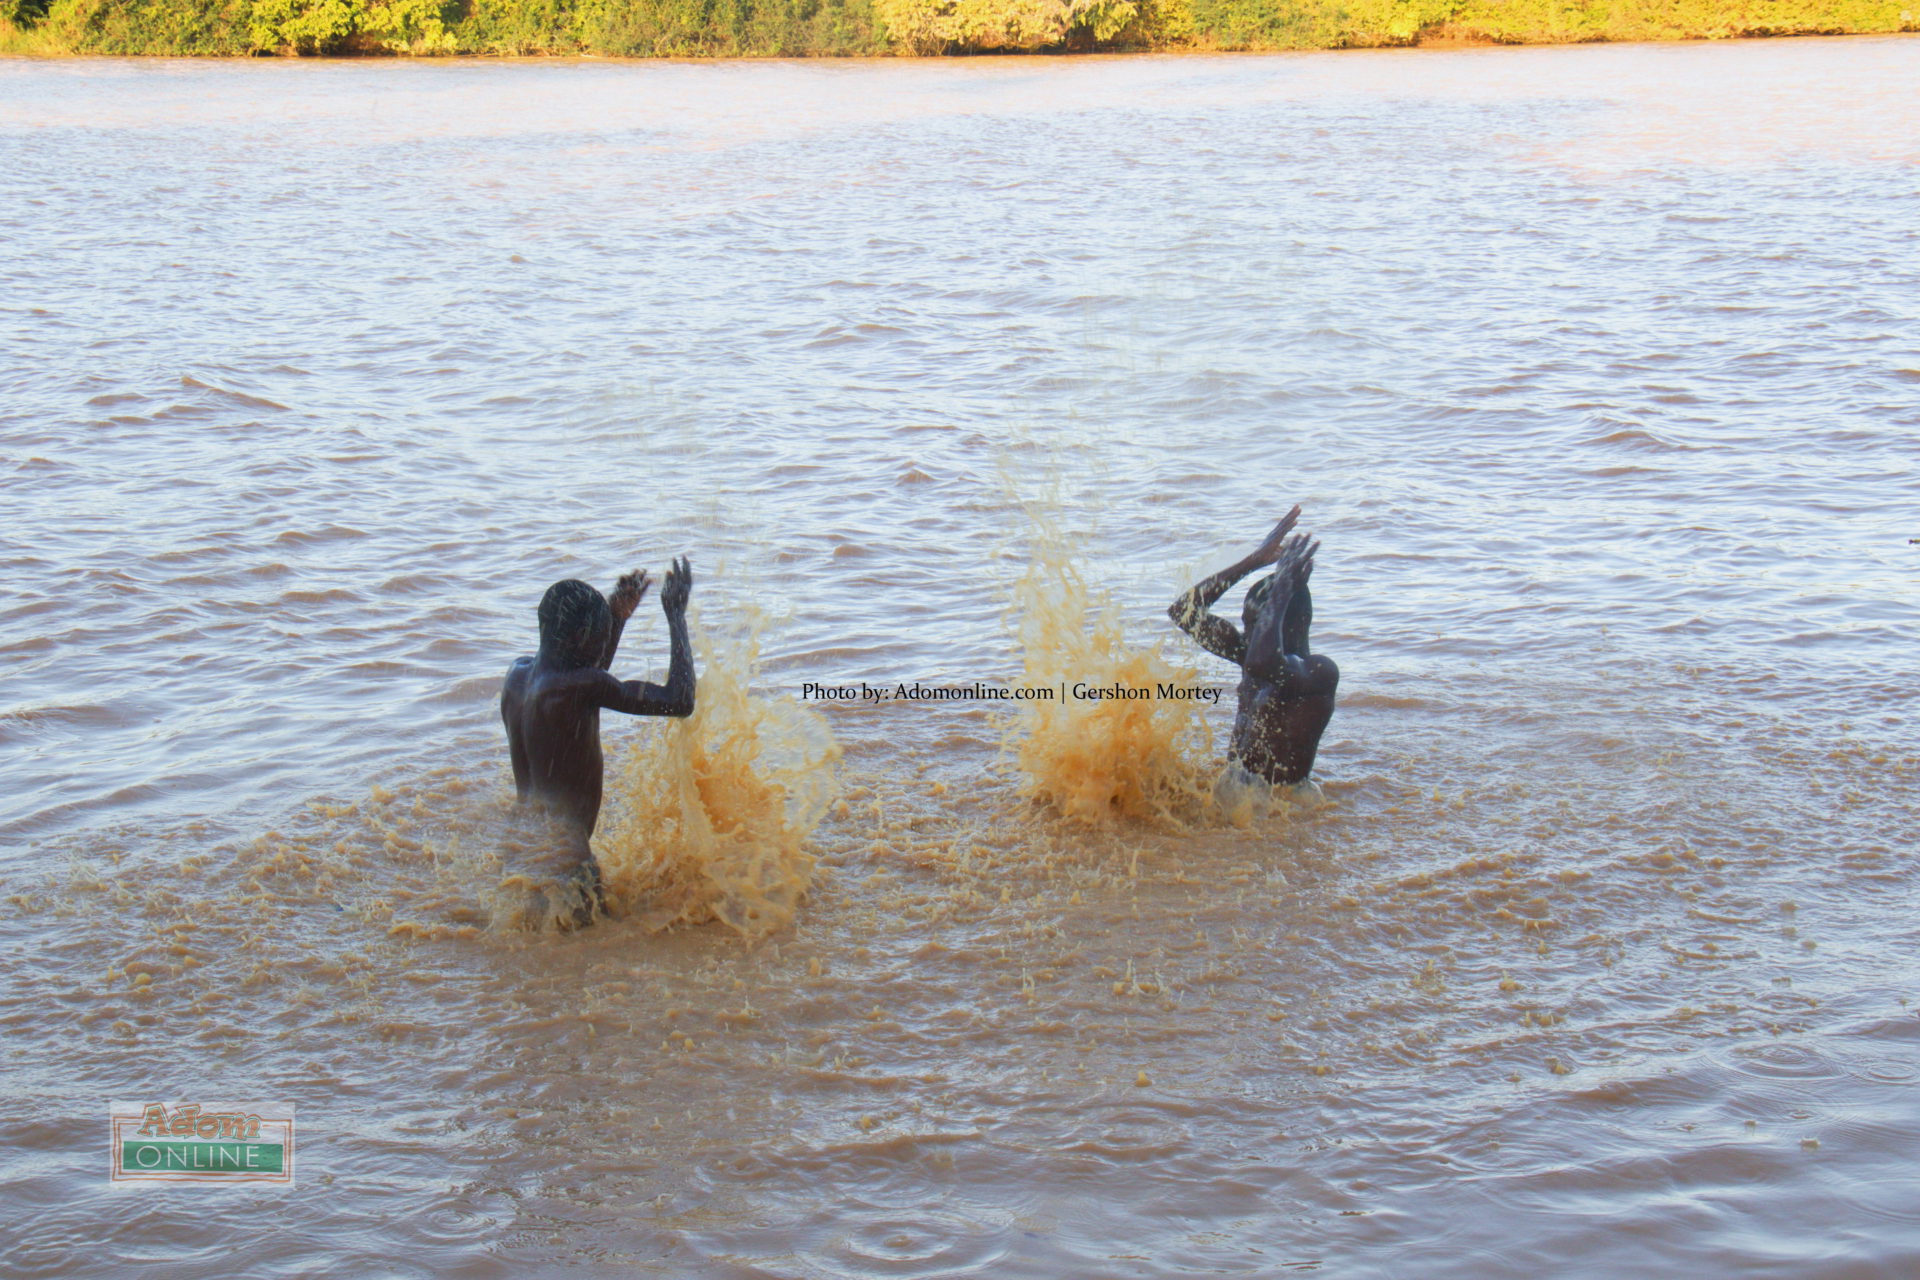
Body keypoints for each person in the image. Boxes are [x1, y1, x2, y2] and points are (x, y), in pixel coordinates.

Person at [500, 558, 695, 924]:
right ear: (578, 640)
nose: (604, 641)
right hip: (563, 857)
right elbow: (679, 701)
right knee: (598, 962)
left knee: (541, 959)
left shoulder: (519, 675)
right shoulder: (581, 685)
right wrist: (675, 616)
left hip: (519, 841)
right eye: (599, 635)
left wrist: (617, 616)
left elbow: (586, 674)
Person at [1168, 506, 1338, 812]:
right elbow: (1183, 612)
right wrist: (1255, 561)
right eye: (1246, 623)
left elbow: (1264, 663)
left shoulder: (1317, 674)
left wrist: (1281, 592)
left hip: (1281, 808)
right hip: (1240, 792)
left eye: (1255, 625)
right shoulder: (1250, 653)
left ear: (1290, 623)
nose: (1244, 633)